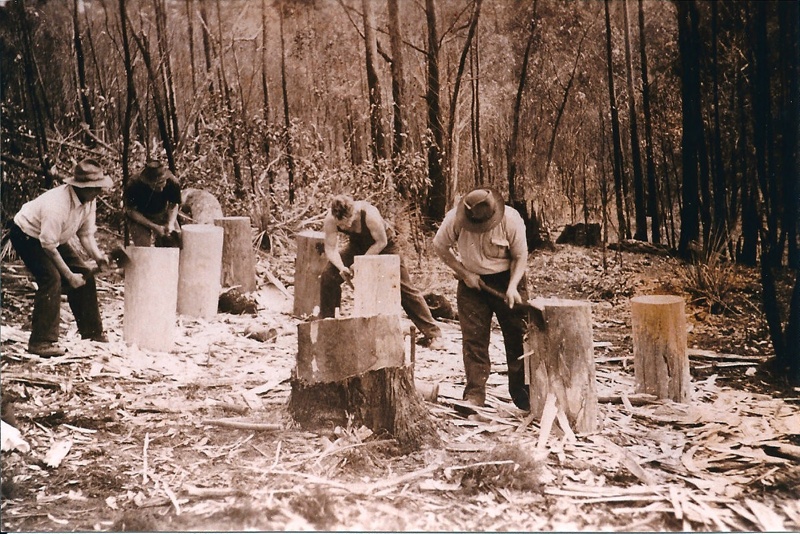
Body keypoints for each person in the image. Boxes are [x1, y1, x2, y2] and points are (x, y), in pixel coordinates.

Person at [433, 187, 531, 410]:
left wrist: (513, 286)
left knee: (517, 337)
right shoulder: (455, 219)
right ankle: (475, 394)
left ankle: (523, 395)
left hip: (507, 279)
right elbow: (439, 246)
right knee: (474, 339)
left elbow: (519, 256)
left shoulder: (511, 220)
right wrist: (465, 273)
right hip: (472, 282)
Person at [8, 159, 113, 357]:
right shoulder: (56, 205)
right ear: (80, 186)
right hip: (27, 234)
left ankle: (92, 333)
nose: (99, 191)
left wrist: (98, 257)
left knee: (84, 274)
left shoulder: (89, 200)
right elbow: (48, 246)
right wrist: (69, 276)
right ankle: (41, 342)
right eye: (95, 188)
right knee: (51, 278)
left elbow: (85, 234)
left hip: (52, 238)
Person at [320, 194, 444, 349]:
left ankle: (433, 334)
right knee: (328, 277)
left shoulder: (369, 214)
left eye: (348, 223)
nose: (345, 227)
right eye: (342, 225)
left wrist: (360, 263)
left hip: (385, 246)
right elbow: (330, 249)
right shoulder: (330, 219)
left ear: (353, 213)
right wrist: (342, 267)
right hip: (357, 246)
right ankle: (327, 327)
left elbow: (381, 241)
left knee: (403, 287)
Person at [124, 160, 181, 247]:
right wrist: (154, 227)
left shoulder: (173, 182)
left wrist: (170, 223)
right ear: (148, 182)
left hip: (162, 212)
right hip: (140, 216)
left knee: (175, 241)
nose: (161, 188)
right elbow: (130, 211)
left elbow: (173, 205)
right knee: (143, 247)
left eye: (163, 183)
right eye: (157, 185)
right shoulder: (134, 184)